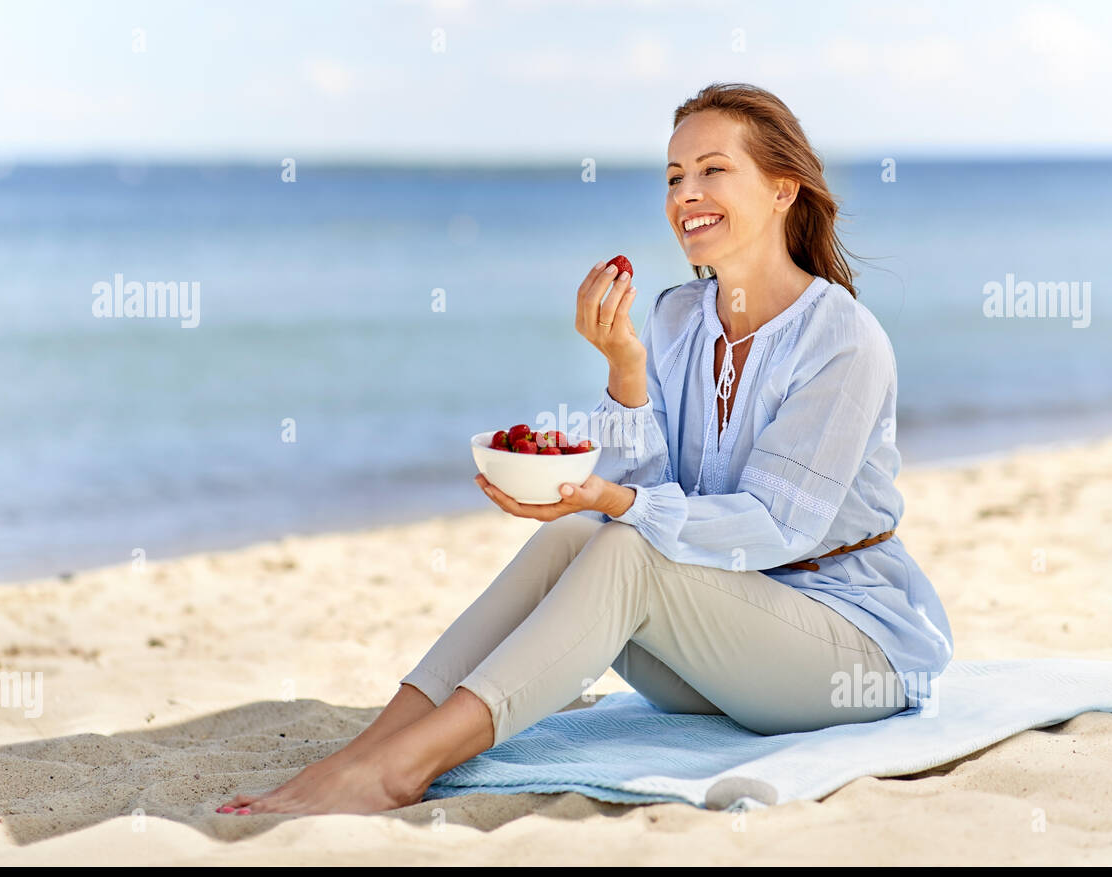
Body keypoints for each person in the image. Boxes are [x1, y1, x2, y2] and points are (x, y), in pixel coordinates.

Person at [220, 82, 953, 816]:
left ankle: (404, 769)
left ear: (782, 189)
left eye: (711, 170)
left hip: (848, 648)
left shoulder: (840, 337)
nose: (685, 194)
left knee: (623, 544)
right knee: (577, 534)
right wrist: (625, 375)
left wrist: (617, 501)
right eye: (673, 177)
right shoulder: (674, 318)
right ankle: (367, 752)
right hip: (726, 657)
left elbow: (771, 526)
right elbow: (652, 491)